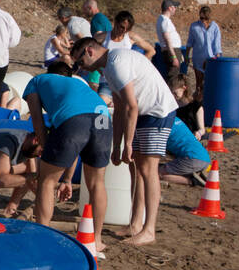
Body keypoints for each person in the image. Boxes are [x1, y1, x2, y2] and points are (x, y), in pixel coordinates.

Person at [74, 35, 178, 246]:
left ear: (90, 51)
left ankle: (149, 229)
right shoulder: (108, 70)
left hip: (157, 112)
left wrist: (128, 144)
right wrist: (118, 144)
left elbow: (131, 105)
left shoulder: (117, 62)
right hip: (143, 114)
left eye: (80, 61)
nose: (81, 68)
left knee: (148, 170)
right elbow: (120, 109)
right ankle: (135, 224)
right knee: (136, 169)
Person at [23, 62, 112, 254]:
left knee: (47, 181)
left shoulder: (36, 82)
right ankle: (96, 239)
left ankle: (43, 235)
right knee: (97, 183)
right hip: (103, 117)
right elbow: (74, 148)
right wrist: (68, 179)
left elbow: (37, 122)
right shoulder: (79, 84)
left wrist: (46, 149)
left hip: (73, 120)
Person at [100, 10, 156, 101]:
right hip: (107, 81)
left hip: (124, 81)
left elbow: (151, 51)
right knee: (102, 105)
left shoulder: (130, 37)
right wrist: (99, 69)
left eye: (128, 29)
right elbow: (89, 52)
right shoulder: (102, 37)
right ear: (115, 22)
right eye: (122, 27)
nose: (124, 31)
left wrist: (138, 65)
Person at [160, 117, 212, 188]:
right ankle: (194, 174)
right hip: (204, 158)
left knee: (154, 173)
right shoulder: (175, 118)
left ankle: (192, 181)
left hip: (192, 159)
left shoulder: (159, 125)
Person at [185, 5, 222, 96]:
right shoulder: (194, 26)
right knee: (199, 82)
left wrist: (217, 56)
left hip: (211, 58)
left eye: (206, 18)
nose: (203, 20)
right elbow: (190, 42)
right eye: (201, 18)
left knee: (210, 82)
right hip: (198, 59)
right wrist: (186, 55)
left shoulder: (215, 27)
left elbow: (217, 43)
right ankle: (198, 101)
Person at [154, 0, 183, 79]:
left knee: (173, 75)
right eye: (174, 7)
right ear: (169, 8)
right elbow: (167, 39)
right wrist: (174, 57)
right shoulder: (164, 21)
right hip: (172, 51)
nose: (175, 9)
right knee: (173, 77)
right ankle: (171, 91)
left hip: (171, 50)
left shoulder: (162, 20)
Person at [169, 73, 205, 139]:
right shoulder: (171, 106)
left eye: (175, 93)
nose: (173, 96)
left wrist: (198, 133)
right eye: (171, 93)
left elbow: (202, 130)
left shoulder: (196, 106)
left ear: (184, 88)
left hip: (191, 140)